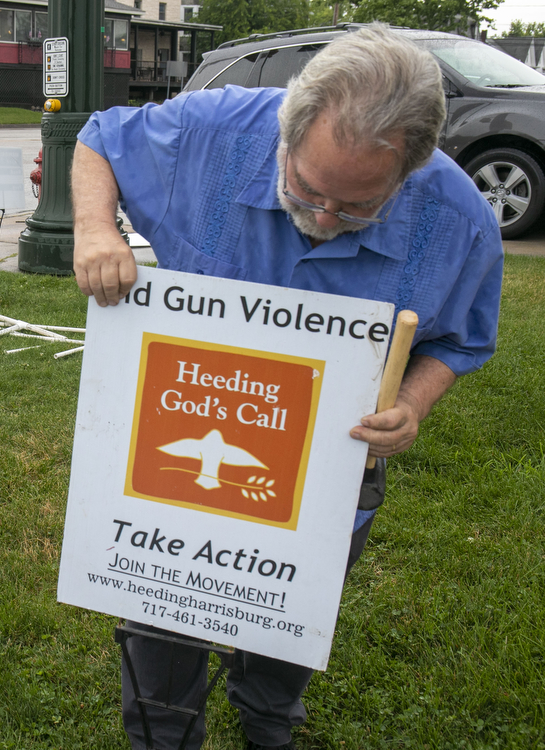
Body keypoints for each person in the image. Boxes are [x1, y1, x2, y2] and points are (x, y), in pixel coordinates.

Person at [71, 24, 502, 750]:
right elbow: (98, 137)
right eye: (306, 188)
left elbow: (460, 340)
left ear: (411, 171)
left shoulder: (458, 224)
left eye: (358, 205)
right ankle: (163, 732)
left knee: (288, 619)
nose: (325, 219)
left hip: (329, 477)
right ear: (287, 131)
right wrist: (94, 229)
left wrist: (412, 405)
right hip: (175, 468)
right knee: (162, 614)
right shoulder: (216, 129)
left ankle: (269, 718)